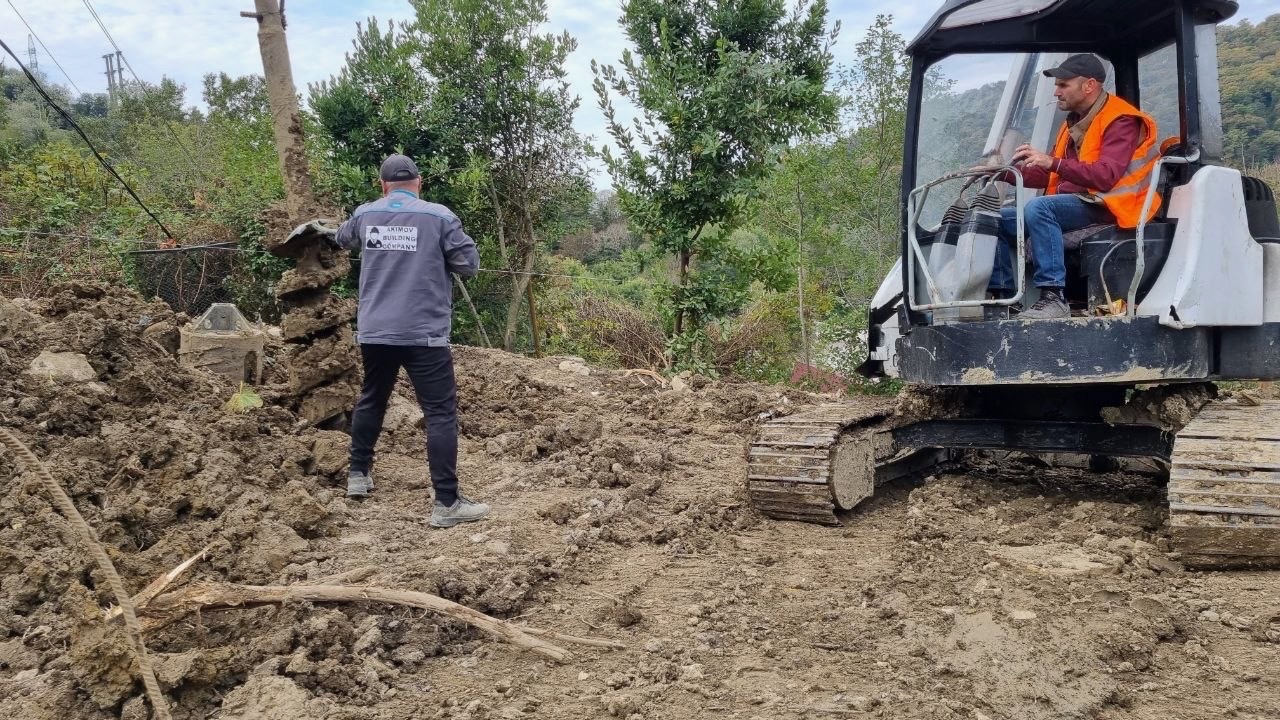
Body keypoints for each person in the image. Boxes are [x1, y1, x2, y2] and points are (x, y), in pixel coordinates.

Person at [332, 153, 489, 528]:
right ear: (418, 183)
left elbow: (340, 238)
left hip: (375, 331)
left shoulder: (366, 214)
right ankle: (446, 503)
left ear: (383, 186)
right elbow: (469, 265)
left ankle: (358, 474)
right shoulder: (439, 217)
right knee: (439, 413)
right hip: (424, 334)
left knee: (372, 397)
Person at [988, 53, 1162, 319]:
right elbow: (1053, 176)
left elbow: (1106, 177)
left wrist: (1052, 162)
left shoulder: (1121, 120)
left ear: (1089, 85)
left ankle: (1053, 297)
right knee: (994, 220)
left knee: (1040, 209)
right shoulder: (1072, 124)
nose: (1056, 92)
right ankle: (1003, 301)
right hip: (1080, 202)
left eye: (1063, 85)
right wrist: (1003, 173)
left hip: (1113, 206)